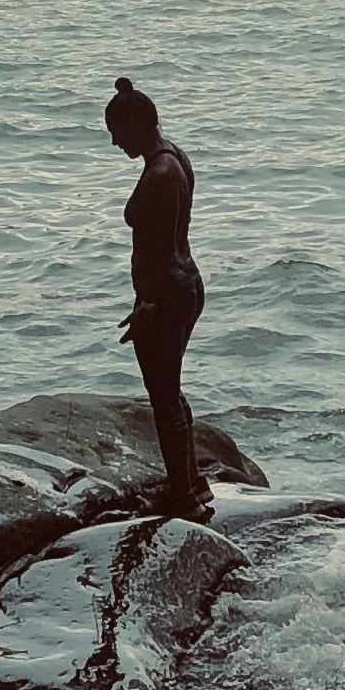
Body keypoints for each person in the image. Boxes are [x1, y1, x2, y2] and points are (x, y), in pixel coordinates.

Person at [103, 78, 211, 519]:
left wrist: (147, 307)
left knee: (163, 393)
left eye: (116, 131)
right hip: (182, 287)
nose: (113, 142)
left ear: (134, 123)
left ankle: (181, 496)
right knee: (170, 389)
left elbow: (163, 250)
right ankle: (191, 481)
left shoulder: (163, 174)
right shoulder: (174, 158)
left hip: (169, 293)